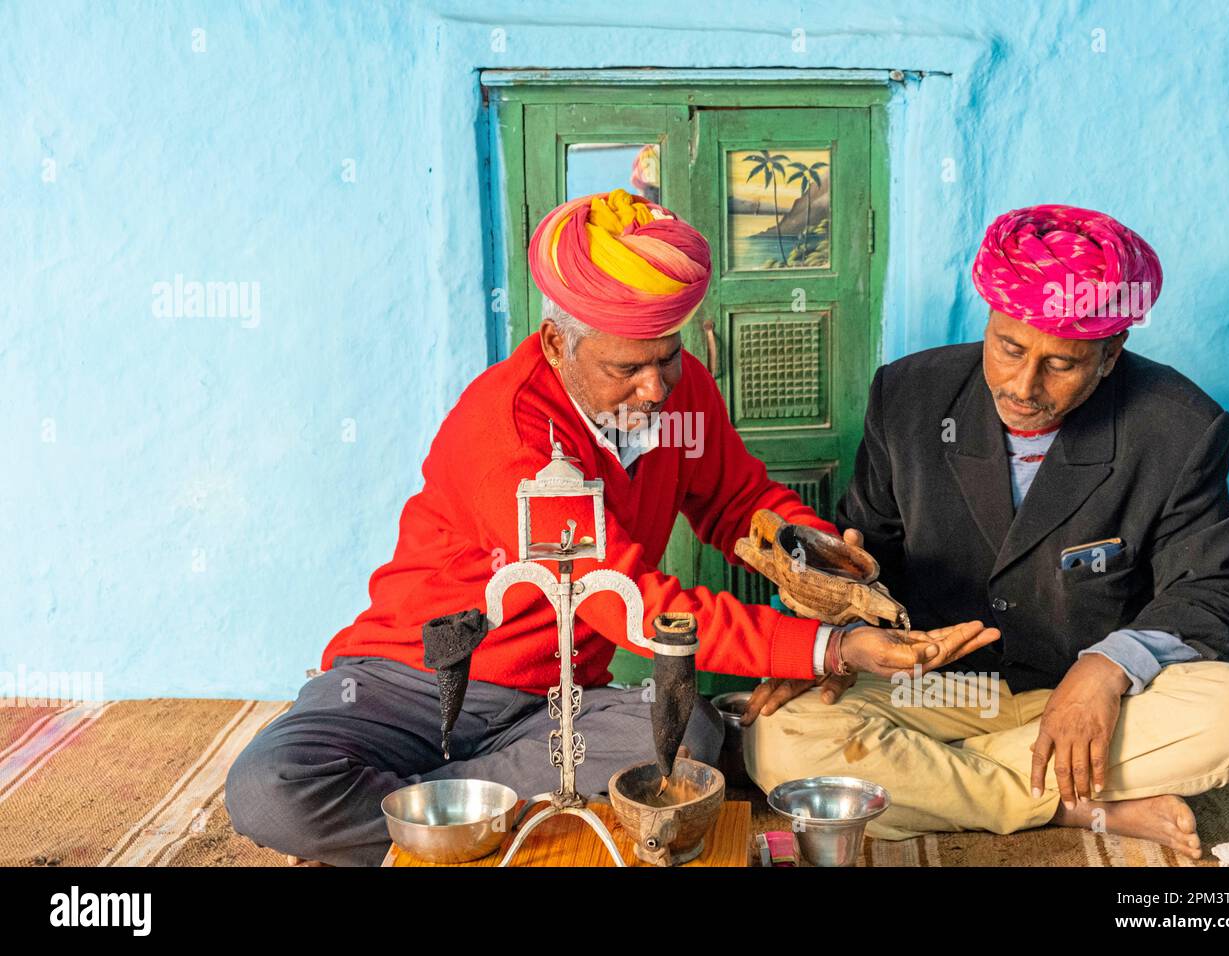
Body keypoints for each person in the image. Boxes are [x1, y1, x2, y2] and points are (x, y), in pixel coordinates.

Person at [224, 189, 995, 865]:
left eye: (668, 355)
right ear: (558, 342)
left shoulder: (677, 387)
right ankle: (458, 822)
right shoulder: (509, 431)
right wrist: (828, 647)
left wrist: (812, 554)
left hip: (557, 699)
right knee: (270, 790)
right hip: (407, 684)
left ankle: (435, 827)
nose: (657, 387)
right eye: (627, 369)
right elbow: (622, 599)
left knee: (688, 738)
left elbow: (735, 501)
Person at [746, 204, 1229, 860]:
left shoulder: (1179, 426)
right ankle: (1070, 802)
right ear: (989, 322)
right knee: (778, 738)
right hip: (931, 684)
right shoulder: (909, 395)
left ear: (1111, 356)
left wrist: (1107, 667)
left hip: (1083, 695)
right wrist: (827, 635)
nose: (1024, 386)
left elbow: (1211, 591)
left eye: (1063, 365)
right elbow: (866, 548)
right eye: (1010, 348)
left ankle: (940, 777)